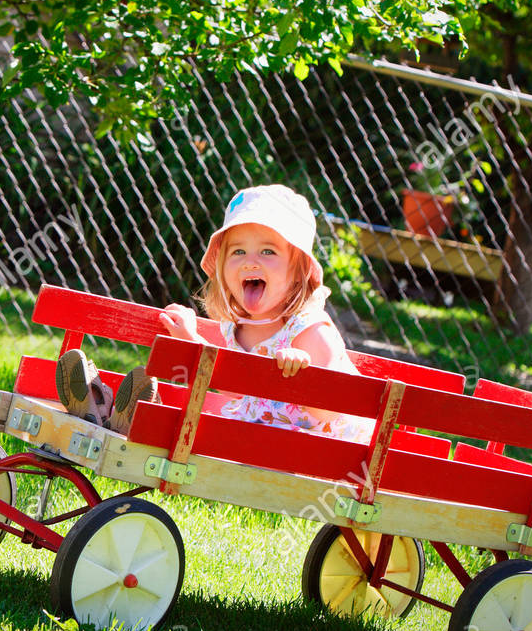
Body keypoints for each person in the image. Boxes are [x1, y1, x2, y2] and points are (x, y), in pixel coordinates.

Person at [56, 184, 369, 440]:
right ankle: (106, 411)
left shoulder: (309, 329)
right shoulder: (237, 329)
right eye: (238, 251)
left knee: (193, 427)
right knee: (200, 423)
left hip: (310, 449)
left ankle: (113, 409)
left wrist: (300, 375)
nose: (250, 261)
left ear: (299, 271)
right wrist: (191, 340)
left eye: (268, 251)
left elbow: (333, 408)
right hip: (256, 435)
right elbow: (233, 385)